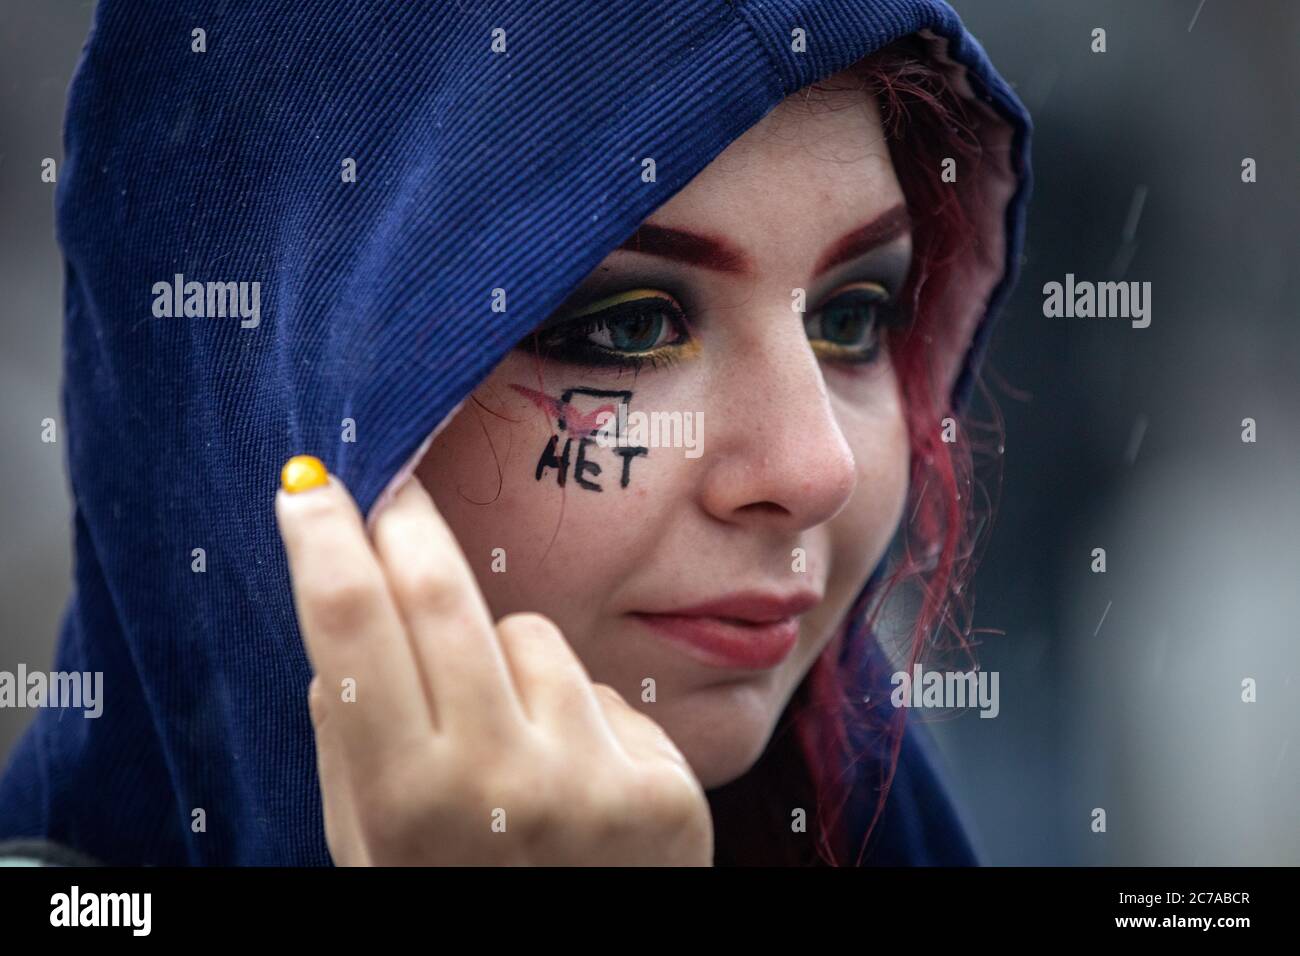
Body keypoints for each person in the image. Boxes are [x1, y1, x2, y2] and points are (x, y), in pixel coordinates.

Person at [0, 0, 1031, 866]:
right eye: (629, 326)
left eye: (849, 317)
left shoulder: (872, 814)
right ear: (279, 398)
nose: (817, 470)